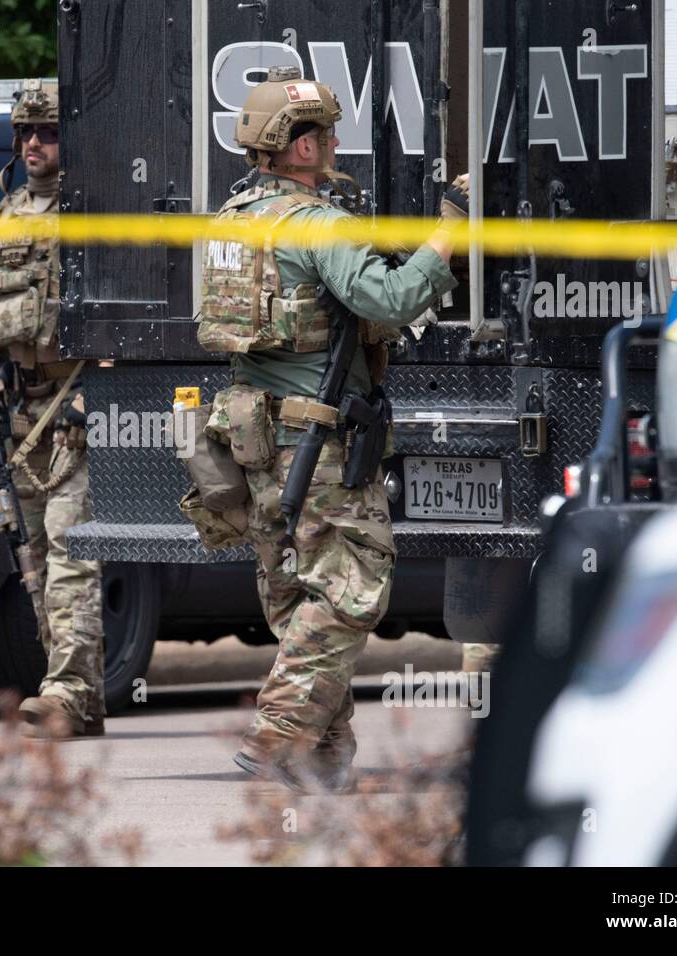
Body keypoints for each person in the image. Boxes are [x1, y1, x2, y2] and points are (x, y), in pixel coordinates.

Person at [196, 66, 470, 791]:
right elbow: (391, 299)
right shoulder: (319, 224)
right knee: (354, 587)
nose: (337, 141)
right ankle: (280, 730)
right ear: (303, 147)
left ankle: (323, 756)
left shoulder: (233, 221)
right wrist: (448, 238)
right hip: (313, 443)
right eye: (326, 132)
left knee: (296, 592)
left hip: (254, 439)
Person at [0, 79, 106, 739]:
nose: (32, 144)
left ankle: (66, 693)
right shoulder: (7, 213)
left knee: (73, 554)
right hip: (18, 408)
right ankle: (78, 696)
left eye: (46, 131)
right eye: (24, 133)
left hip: (72, 404)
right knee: (35, 562)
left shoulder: (93, 214)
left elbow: (118, 314)